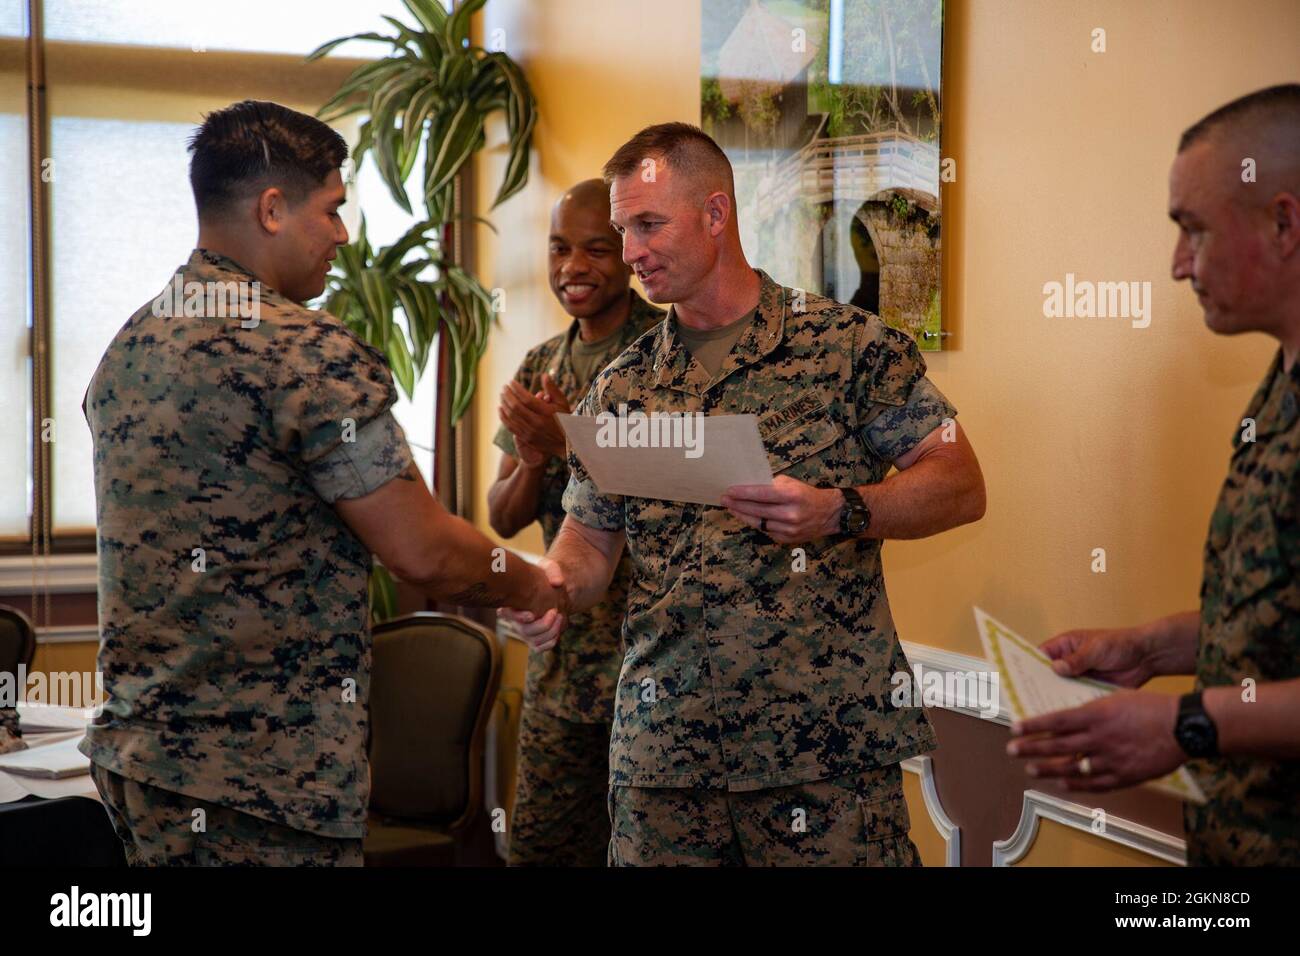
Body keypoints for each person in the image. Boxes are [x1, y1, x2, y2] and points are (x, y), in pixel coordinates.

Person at [80, 100, 564, 867]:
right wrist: (533, 582)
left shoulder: (130, 346)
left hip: (142, 766)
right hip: (264, 784)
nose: (342, 235)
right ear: (272, 209)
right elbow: (423, 552)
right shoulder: (305, 350)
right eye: (333, 210)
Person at [507, 122, 986, 866]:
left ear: (717, 215)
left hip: (824, 761)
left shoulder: (846, 348)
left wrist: (842, 509)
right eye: (623, 229)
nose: (630, 253)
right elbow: (590, 539)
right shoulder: (623, 386)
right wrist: (555, 588)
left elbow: (959, 483)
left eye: (648, 225)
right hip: (664, 762)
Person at [1007, 85, 1300, 866]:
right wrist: (1151, 649)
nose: (1177, 266)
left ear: (1284, 223)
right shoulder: (1281, 383)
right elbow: (1275, 620)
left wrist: (1186, 725)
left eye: (1193, 231)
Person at [488, 180, 663, 866]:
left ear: (626, 252)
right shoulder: (542, 365)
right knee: (540, 849)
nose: (572, 267)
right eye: (560, 249)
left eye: (595, 248)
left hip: (649, 671)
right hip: (561, 664)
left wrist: (569, 443)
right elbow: (503, 515)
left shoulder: (665, 356)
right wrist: (533, 458)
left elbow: (682, 494)